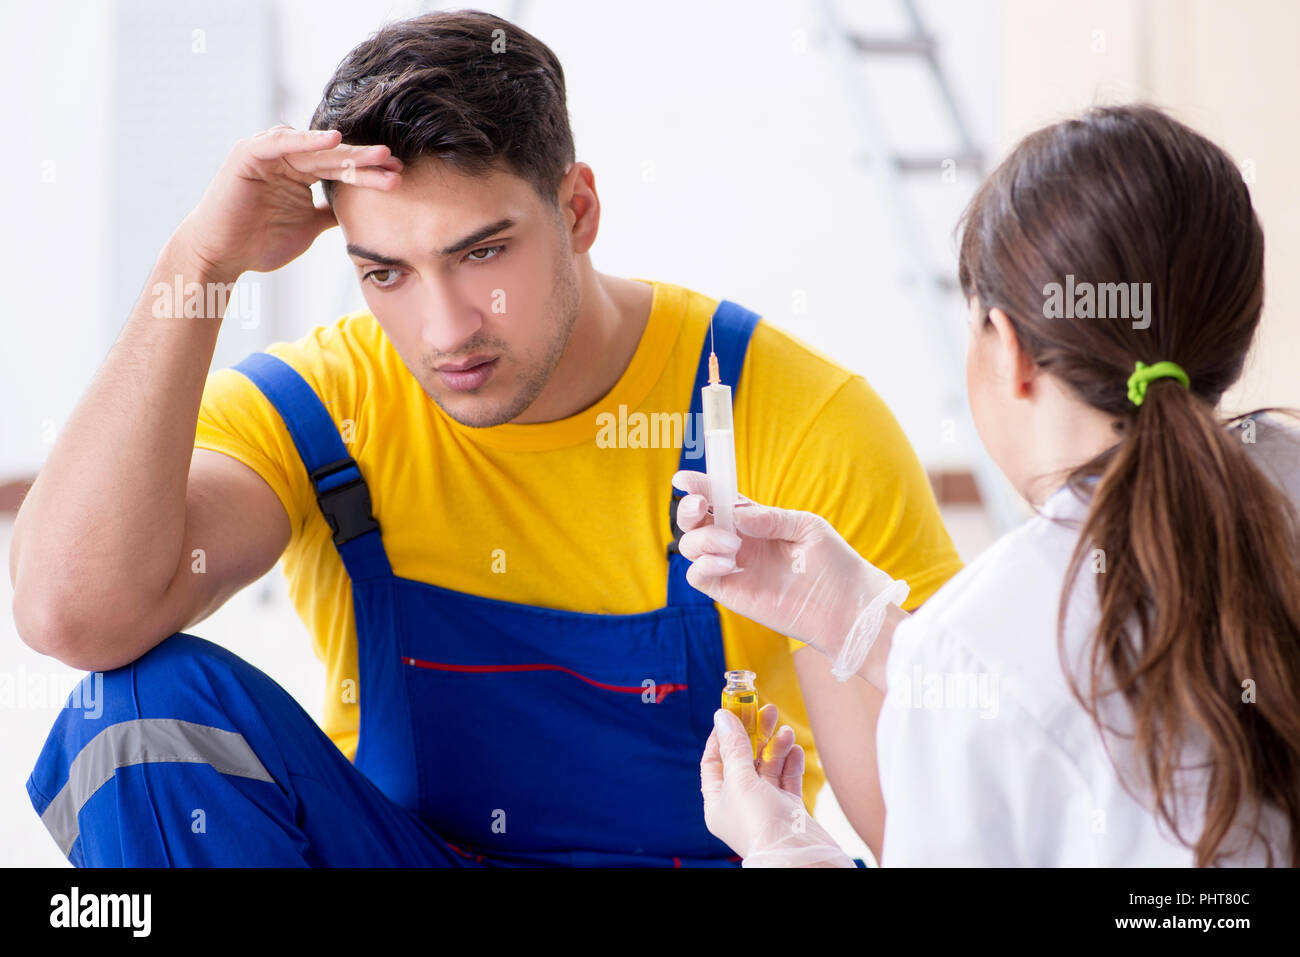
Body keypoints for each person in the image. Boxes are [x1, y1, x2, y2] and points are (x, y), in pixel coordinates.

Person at [14, 10, 963, 866]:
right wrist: (202, 262)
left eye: (482, 253)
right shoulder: (325, 407)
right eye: (385, 273)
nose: (445, 329)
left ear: (578, 209)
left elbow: (933, 836)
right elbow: (72, 615)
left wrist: (855, 632)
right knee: (131, 711)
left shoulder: (793, 418)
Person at [678, 103, 1300, 867]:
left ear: (1009, 351)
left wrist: (785, 847)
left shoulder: (974, 643)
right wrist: (864, 624)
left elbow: (1019, 691)